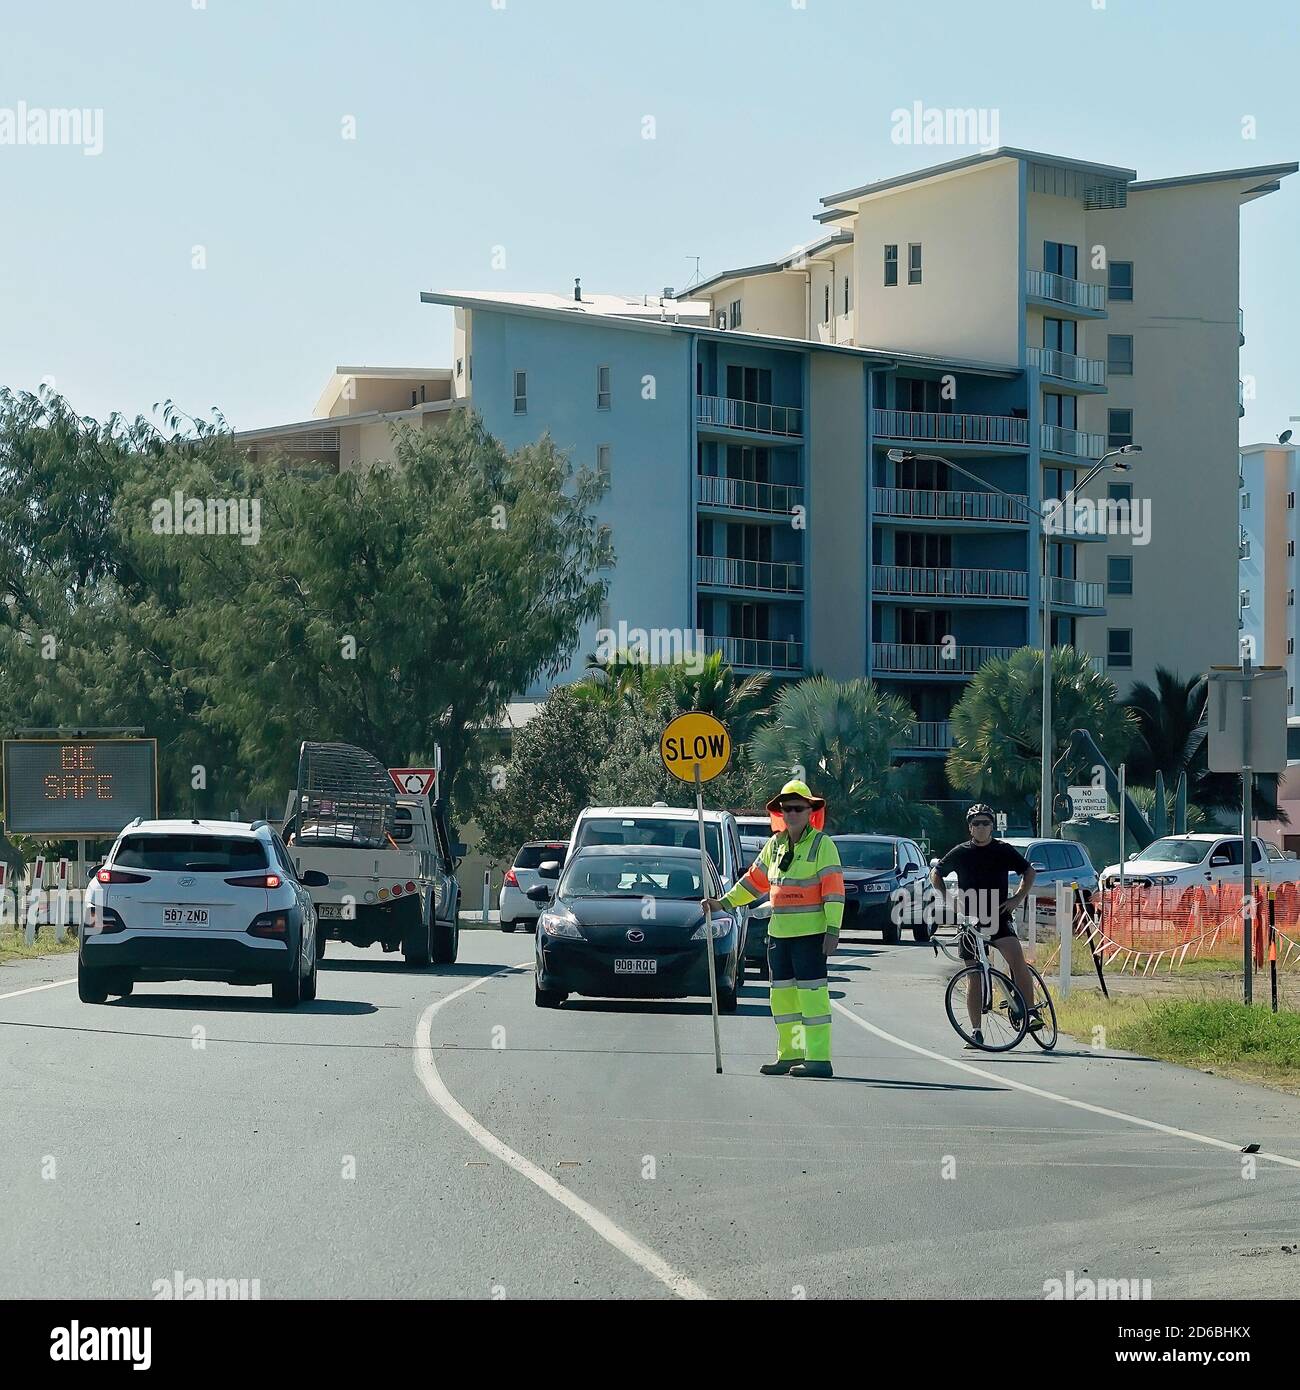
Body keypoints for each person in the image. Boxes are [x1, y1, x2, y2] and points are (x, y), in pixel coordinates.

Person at [702, 779, 844, 1078]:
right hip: (779, 935)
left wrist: (832, 930)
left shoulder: (823, 845)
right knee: (783, 999)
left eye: (797, 808)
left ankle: (818, 1059)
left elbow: (834, 892)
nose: (791, 813)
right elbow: (754, 883)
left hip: (811, 936)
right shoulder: (775, 845)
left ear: (810, 811)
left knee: (812, 998)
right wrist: (722, 904)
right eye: (786, 808)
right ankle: (791, 1054)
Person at [929, 804, 1039, 1047]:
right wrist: (945, 897)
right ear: (970, 828)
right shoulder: (960, 852)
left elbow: (1029, 872)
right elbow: (936, 873)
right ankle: (976, 1030)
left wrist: (1017, 898)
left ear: (992, 826)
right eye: (976, 823)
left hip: (998, 916)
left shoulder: (1003, 850)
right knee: (974, 973)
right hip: (970, 920)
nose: (981, 827)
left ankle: (1031, 1012)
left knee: (1017, 960)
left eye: (985, 823)